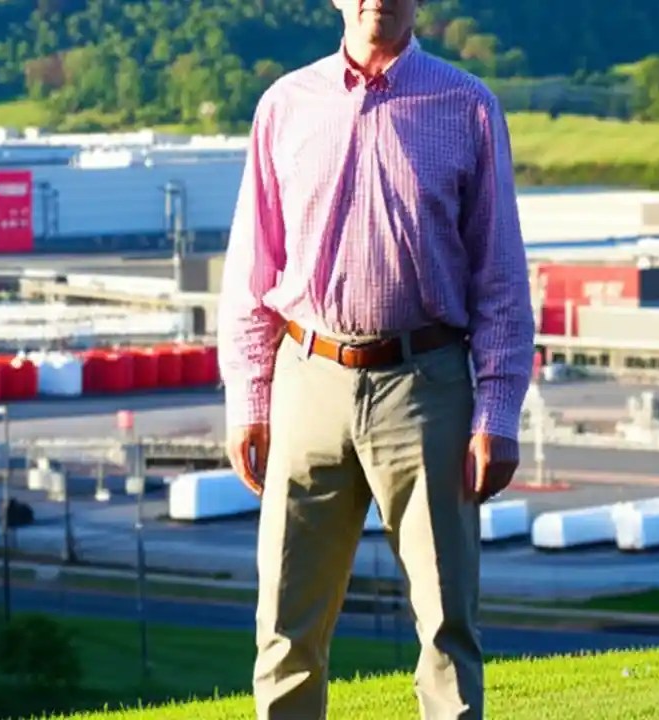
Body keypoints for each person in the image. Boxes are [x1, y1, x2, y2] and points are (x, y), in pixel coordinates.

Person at [216, 1, 535, 718]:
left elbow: (501, 277)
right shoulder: (285, 105)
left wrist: (497, 412)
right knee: (285, 623)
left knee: (447, 622)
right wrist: (249, 400)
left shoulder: (467, 105)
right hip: (307, 378)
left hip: (426, 384)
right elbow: (251, 269)